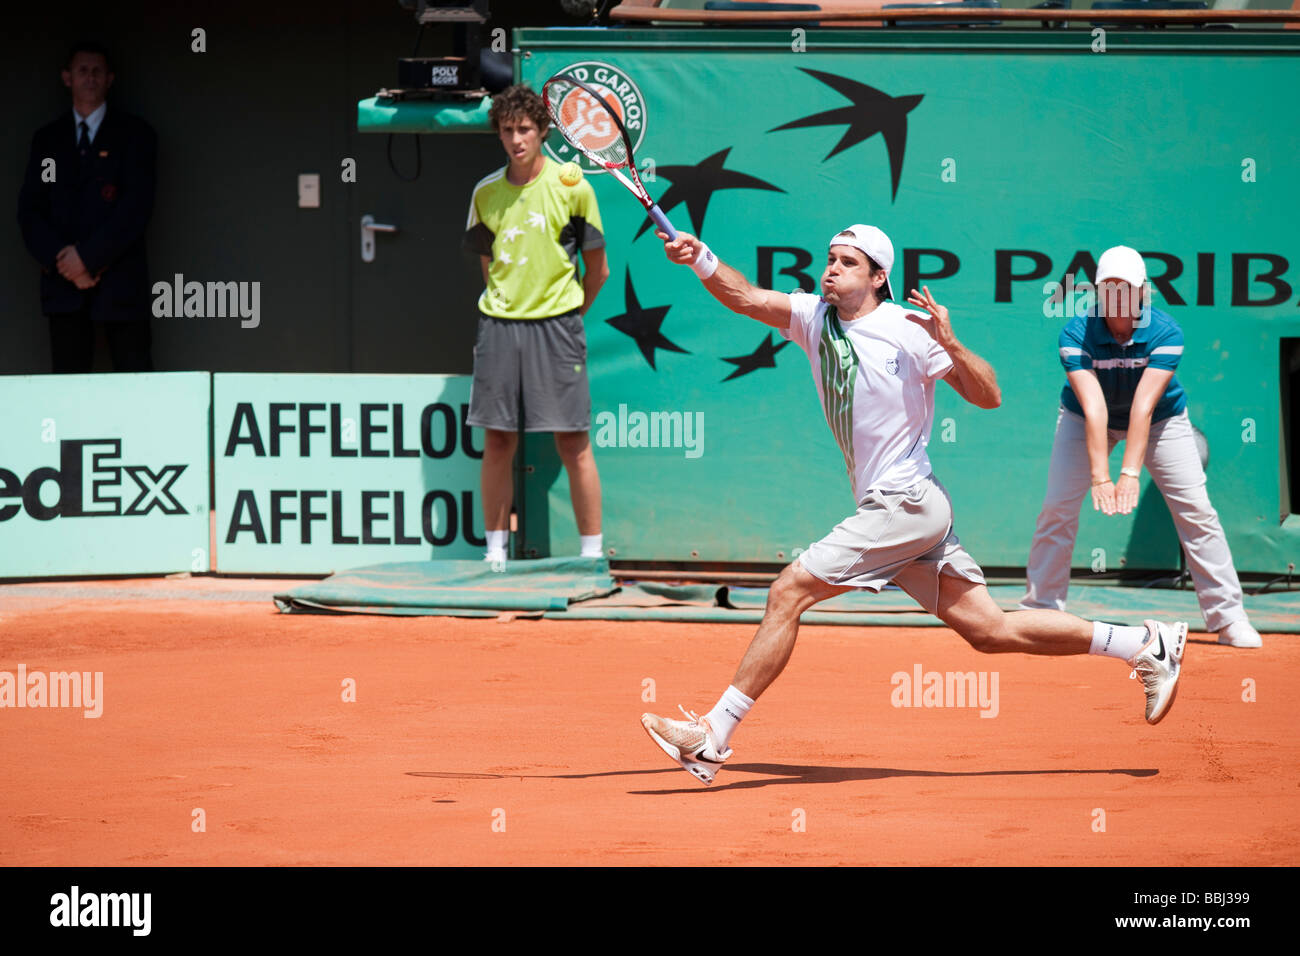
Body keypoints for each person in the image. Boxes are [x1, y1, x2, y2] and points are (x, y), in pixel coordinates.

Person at [641, 224, 1188, 787]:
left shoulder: (907, 327)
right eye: (829, 259)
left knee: (789, 590)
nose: (831, 269)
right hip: (905, 513)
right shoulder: (812, 317)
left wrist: (950, 344)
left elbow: (989, 395)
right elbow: (747, 297)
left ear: (879, 277)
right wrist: (699, 256)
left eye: (848, 263)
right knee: (991, 630)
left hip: (905, 502)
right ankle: (1143, 644)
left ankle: (713, 735)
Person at [1019, 246, 1263, 648]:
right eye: (1108, 288)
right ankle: (1041, 611)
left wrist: (1129, 473)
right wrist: (1101, 476)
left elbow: (1144, 407)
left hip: (1162, 421)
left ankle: (1229, 617)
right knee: (1057, 508)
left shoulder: (1167, 333)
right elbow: (1095, 407)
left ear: (1143, 292)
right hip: (1083, 418)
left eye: (1125, 288)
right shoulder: (1075, 332)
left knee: (1197, 511)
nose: (1117, 297)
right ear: (1096, 292)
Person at [462, 84, 609, 565]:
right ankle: (495, 555)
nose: (516, 138)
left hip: (558, 328)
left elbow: (598, 270)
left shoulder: (574, 188)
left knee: (572, 440)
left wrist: (566, 315)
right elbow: (489, 267)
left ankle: (591, 557)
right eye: (507, 130)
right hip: (499, 327)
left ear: (543, 131)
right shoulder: (485, 192)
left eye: (525, 128)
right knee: (498, 440)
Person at [17, 41, 157, 373]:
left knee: (136, 387)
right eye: (82, 70)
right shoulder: (48, 142)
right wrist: (62, 260)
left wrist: (89, 259)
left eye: (97, 71)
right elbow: (32, 210)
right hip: (64, 290)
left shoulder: (135, 136)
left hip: (121, 287)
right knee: (69, 396)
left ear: (110, 79)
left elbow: (134, 209)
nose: (90, 78)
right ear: (67, 78)